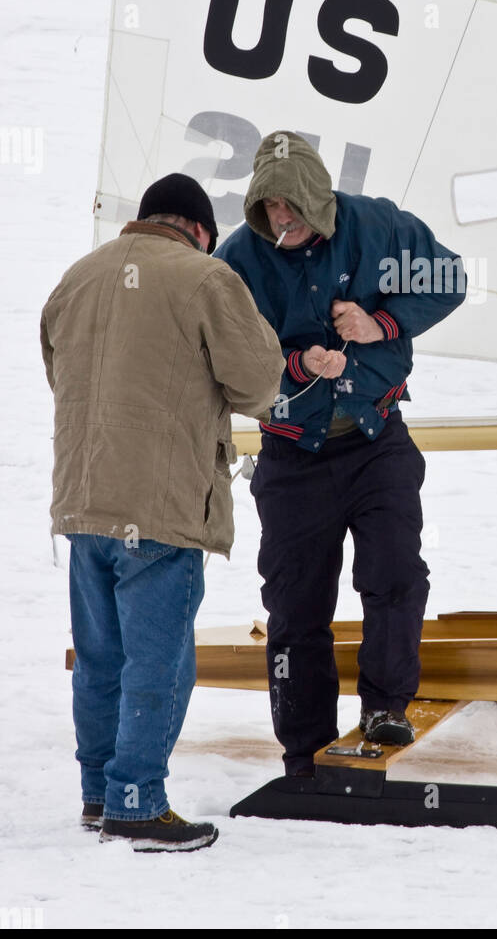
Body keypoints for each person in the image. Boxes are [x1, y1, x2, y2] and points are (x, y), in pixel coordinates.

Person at [40, 173, 285, 851]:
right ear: (201, 230)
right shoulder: (205, 279)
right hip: (162, 503)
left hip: (85, 499)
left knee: (99, 660)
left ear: (145, 220)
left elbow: (61, 371)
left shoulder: (79, 276)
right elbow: (258, 384)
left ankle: (99, 795)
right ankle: (137, 802)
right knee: (159, 659)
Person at [215, 131, 466, 775]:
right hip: (292, 456)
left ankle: (385, 708)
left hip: (377, 441)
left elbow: (450, 279)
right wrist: (296, 363)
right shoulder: (239, 258)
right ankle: (303, 746)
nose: (281, 221)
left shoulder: (378, 226)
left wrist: (380, 323)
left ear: (319, 199)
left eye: (292, 207)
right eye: (269, 208)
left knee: (394, 576)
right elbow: (226, 358)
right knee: (296, 605)